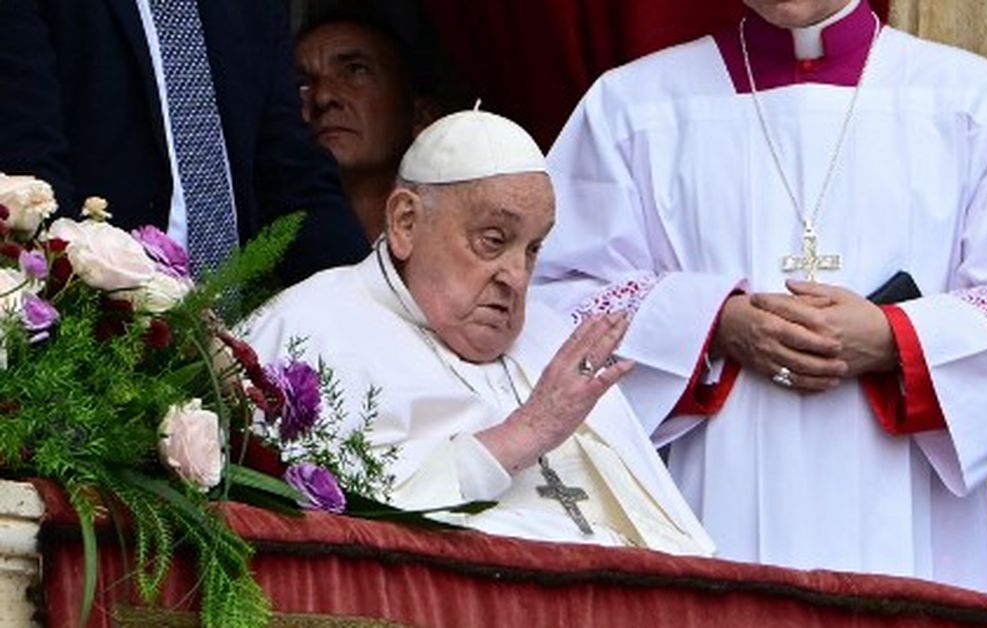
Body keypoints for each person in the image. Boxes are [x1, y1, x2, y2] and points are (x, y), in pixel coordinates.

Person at [532, 0, 987, 592]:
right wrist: (713, 322)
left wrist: (893, 338)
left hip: (906, 515)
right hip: (709, 501)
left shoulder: (977, 101)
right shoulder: (632, 107)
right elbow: (556, 295)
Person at [245, 109, 714, 555]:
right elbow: (327, 527)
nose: (516, 275)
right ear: (406, 221)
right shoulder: (311, 327)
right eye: (493, 240)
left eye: (532, 249)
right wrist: (523, 434)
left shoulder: (551, 340)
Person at [0, 0, 367, 284]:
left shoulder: (250, 9)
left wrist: (368, 298)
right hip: (87, 334)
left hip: (229, 349)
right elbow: (30, 179)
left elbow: (293, 180)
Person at [295, 12, 439, 241]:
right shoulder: (263, 254)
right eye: (302, 84)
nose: (323, 97)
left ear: (420, 117)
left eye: (355, 70)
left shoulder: (453, 253)